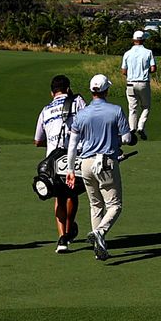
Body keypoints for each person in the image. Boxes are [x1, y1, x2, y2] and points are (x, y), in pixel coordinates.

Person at [64, 73, 130, 261]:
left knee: (96, 205)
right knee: (115, 205)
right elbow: (126, 138)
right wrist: (117, 140)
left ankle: (98, 247)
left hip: (85, 164)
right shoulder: (115, 110)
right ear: (106, 90)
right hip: (106, 162)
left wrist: (70, 170)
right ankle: (100, 232)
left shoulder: (81, 114)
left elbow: (73, 145)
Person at [33, 74, 85, 253]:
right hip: (74, 157)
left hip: (52, 161)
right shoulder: (77, 102)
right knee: (72, 194)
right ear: (68, 88)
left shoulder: (45, 110)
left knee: (59, 197)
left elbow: (38, 141)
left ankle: (62, 238)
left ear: (51, 92)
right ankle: (69, 232)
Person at [120, 30, 156, 140]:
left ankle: (132, 128)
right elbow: (153, 68)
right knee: (145, 106)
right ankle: (140, 126)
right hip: (143, 83)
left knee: (132, 108)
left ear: (133, 40)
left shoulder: (127, 53)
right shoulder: (148, 52)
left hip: (130, 83)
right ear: (143, 40)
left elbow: (123, 71)